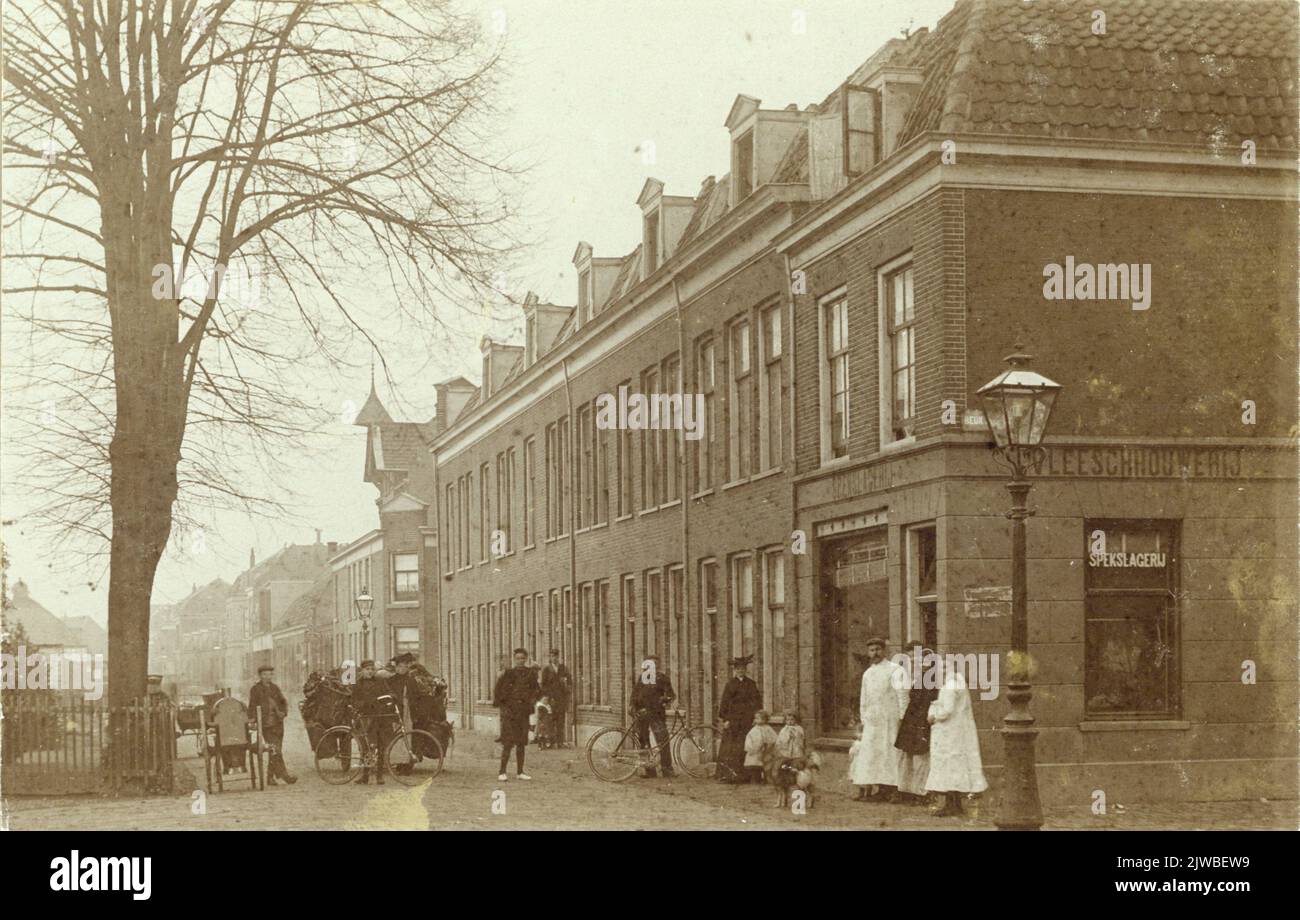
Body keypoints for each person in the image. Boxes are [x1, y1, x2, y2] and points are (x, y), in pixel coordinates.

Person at [926, 657, 988, 817]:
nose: (943, 670)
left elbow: (947, 710)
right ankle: (955, 803)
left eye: (946, 667)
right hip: (958, 731)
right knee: (956, 764)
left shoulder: (950, 686)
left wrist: (933, 716)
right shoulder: (959, 684)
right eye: (941, 668)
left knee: (949, 763)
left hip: (949, 732)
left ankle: (951, 804)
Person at [848, 637, 907, 802]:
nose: (875, 653)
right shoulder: (868, 673)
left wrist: (902, 717)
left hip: (890, 719)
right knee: (875, 754)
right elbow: (864, 698)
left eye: (878, 649)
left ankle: (895, 790)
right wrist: (864, 718)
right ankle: (879, 789)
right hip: (874, 721)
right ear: (868, 652)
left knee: (891, 753)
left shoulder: (895, 670)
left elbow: (902, 695)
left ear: (884, 651)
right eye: (872, 650)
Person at [895, 643, 938, 805]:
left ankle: (923, 792)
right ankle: (907, 791)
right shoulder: (906, 675)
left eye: (916, 657)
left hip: (922, 719)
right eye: (910, 657)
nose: (914, 660)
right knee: (906, 755)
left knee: (921, 756)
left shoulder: (930, 677)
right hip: (909, 719)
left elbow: (931, 701)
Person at [350, 659, 399, 785]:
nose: (370, 672)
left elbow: (389, 691)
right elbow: (353, 701)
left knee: (381, 746)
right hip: (366, 718)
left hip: (380, 717)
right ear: (362, 670)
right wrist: (365, 704)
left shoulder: (380, 681)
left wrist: (392, 696)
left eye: (372, 669)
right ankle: (365, 776)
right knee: (366, 747)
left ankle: (379, 776)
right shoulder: (358, 684)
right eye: (367, 669)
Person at [494, 648, 539, 781]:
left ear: (526, 659)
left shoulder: (530, 674)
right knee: (508, 742)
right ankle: (502, 772)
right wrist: (504, 706)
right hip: (510, 713)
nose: (520, 661)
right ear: (515, 659)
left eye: (523, 658)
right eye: (518, 658)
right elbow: (498, 691)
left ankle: (520, 772)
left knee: (521, 743)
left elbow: (536, 690)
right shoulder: (508, 674)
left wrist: (531, 700)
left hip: (523, 713)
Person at [248, 665, 297, 785]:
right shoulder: (255, 689)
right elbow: (252, 705)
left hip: (278, 724)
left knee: (274, 750)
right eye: (264, 674)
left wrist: (283, 713)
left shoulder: (275, 688)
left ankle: (270, 778)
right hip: (266, 725)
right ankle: (284, 774)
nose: (267, 677)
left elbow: (283, 702)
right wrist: (252, 720)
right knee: (275, 749)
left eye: (269, 674)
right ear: (260, 676)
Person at [716, 655, 761, 783]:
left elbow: (757, 701)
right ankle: (728, 775)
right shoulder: (730, 684)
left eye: (743, 669)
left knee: (745, 746)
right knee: (730, 748)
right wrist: (726, 719)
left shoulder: (751, 684)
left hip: (747, 720)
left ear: (745, 670)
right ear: (735, 670)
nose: (741, 671)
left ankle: (745, 776)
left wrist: (756, 717)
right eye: (738, 669)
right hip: (733, 721)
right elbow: (725, 702)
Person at [629, 655, 675, 778]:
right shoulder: (642, 678)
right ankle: (649, 771)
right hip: (642, 714)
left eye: (654, 664)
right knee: (643, 741)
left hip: (657, 714)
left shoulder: (663, 678)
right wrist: (632, 706)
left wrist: (664, 700)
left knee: (663, 741)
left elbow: (671, 694)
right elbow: (634, 694)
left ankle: (667, 770)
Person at [540, 649, 573, 748]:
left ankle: (560, 742)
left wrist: (567, 688)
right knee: (550, 720)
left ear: (558, 657)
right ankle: (551, 742)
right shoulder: (546, 669)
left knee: (560, 720)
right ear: (550, 657)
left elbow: (570, 681)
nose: (554, 658)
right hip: (551, 699)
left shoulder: (563, 668)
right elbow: (543, 685)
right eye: (552, 656)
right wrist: (547, 697)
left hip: (561, 699)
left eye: (555, 656)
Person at [743, 710, 778, 784]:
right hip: (755, 749)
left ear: (765, 720)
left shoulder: (767, 728)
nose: (757, 720)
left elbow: (773, 738)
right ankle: (755, 779)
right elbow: (749, 738)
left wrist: (768, 745)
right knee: (755, 764)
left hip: (766, 749)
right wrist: (750, 747)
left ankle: (766, 778)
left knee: (766, 764)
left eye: (759, 718)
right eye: (756, 718)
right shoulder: (754, 729)